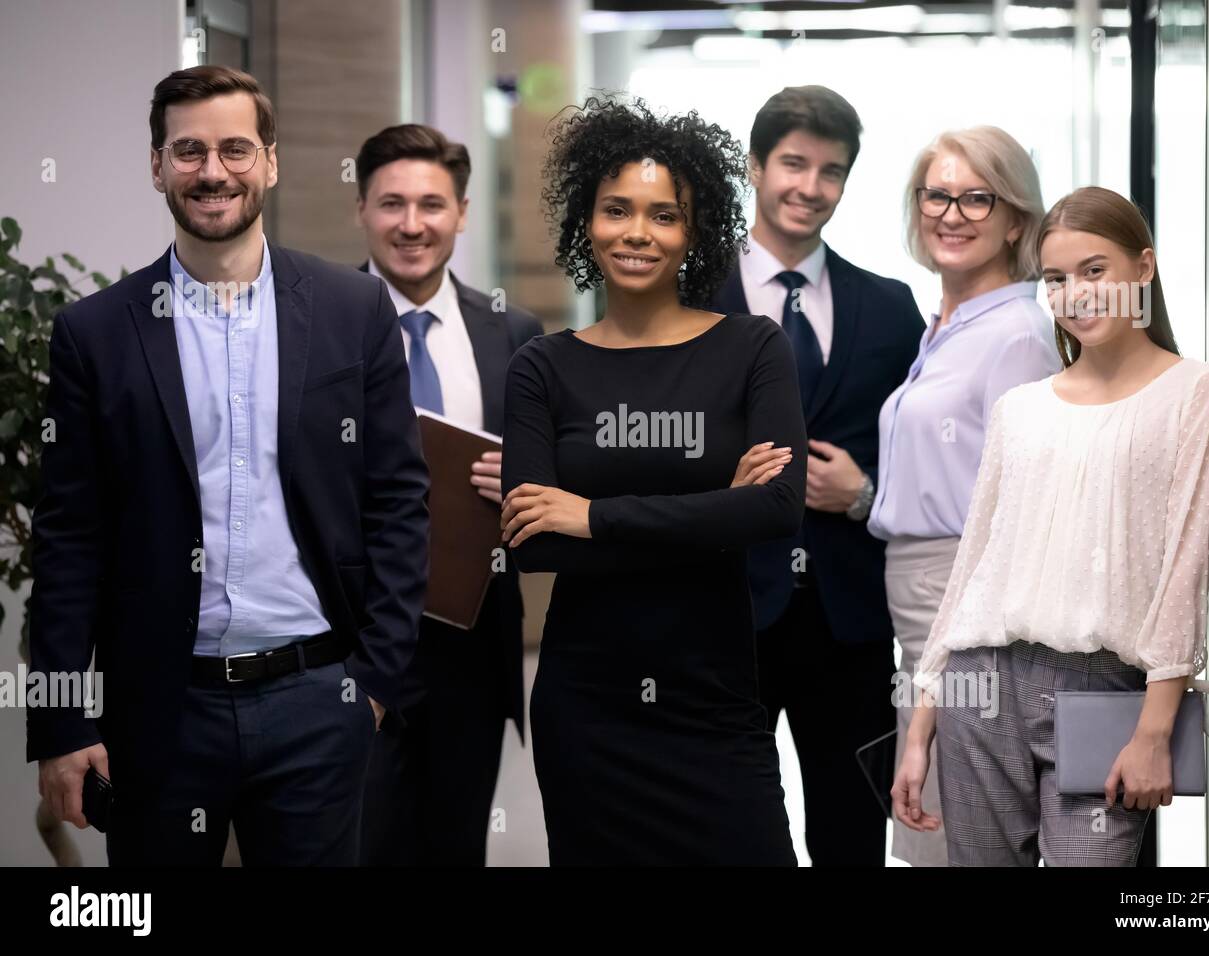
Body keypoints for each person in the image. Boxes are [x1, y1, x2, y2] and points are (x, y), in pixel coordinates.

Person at [26, 65, 429, 866]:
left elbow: (399, 501)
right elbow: (69, 540)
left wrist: (373, 685)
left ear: (271, 161)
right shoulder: (94, 335)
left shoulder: (353, 311)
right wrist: (64, 723)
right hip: (160, 712)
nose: (213, 172)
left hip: (318, 698)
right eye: (189, 151)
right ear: (157, 166)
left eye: (236, 149)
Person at [500, 95, 805, 865]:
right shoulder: (544, 365)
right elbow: (533, 542)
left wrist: (593, 518)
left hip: (715, 703)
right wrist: (712, 512)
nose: (638, 232)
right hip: (589, 709)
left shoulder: (752, 348)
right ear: (586, 221)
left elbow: (775, 510)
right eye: (616, 210)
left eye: (664, 215)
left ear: (693, 232)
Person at [892, 186, 1209, 866]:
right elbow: (974, 564)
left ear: (1143, 267)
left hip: (1106, 689)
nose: (1075, 294)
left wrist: (1156, 728)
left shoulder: (1195, 391)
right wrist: (921, 720)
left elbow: (1184, 570)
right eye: (1055, 279)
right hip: (980, 684)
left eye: (1094, 270)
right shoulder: (1021, 408)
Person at [712, 85, 924, 865]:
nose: (810, 187)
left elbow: (923, 460)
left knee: (850, 835)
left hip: (852, 621)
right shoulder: (693, 297)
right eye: (793, 163)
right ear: (755, 166)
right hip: (726, 614)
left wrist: (864, 493)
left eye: (830, 171)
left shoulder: (891, 307)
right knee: (733, 833)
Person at [867, 126, 1060, 866]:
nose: (951, 213)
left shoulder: (1014, 333)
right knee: (935, 814)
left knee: (950, 824)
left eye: (977, 197)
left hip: (963, 592)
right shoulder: (945, 325)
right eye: (937, 194)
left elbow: (1018, 505)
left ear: (1017, 220)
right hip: (919, 589)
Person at [353, 123, 541, 866]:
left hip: (473, 642)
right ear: (360, 210)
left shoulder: (513, 331)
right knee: (361, 845)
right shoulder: (321, 326)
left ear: (462, 212)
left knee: (457, 845)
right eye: (390, 203)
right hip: (355, 644)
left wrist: (527, 480)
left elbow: (547, 476)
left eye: (432, 204)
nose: (411, 225)